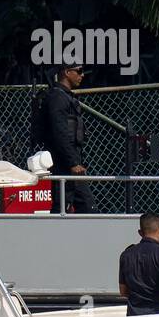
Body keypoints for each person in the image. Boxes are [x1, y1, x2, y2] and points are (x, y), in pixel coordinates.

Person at [39, 64, 96, 213]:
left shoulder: (65, 96)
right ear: (67, 72)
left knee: (82, 205)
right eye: (79, 71)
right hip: (63, 161)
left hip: (70, 159)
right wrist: (72, 162)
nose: (82, 75)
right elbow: (60, 133)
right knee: (66, 205)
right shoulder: (57, 98)